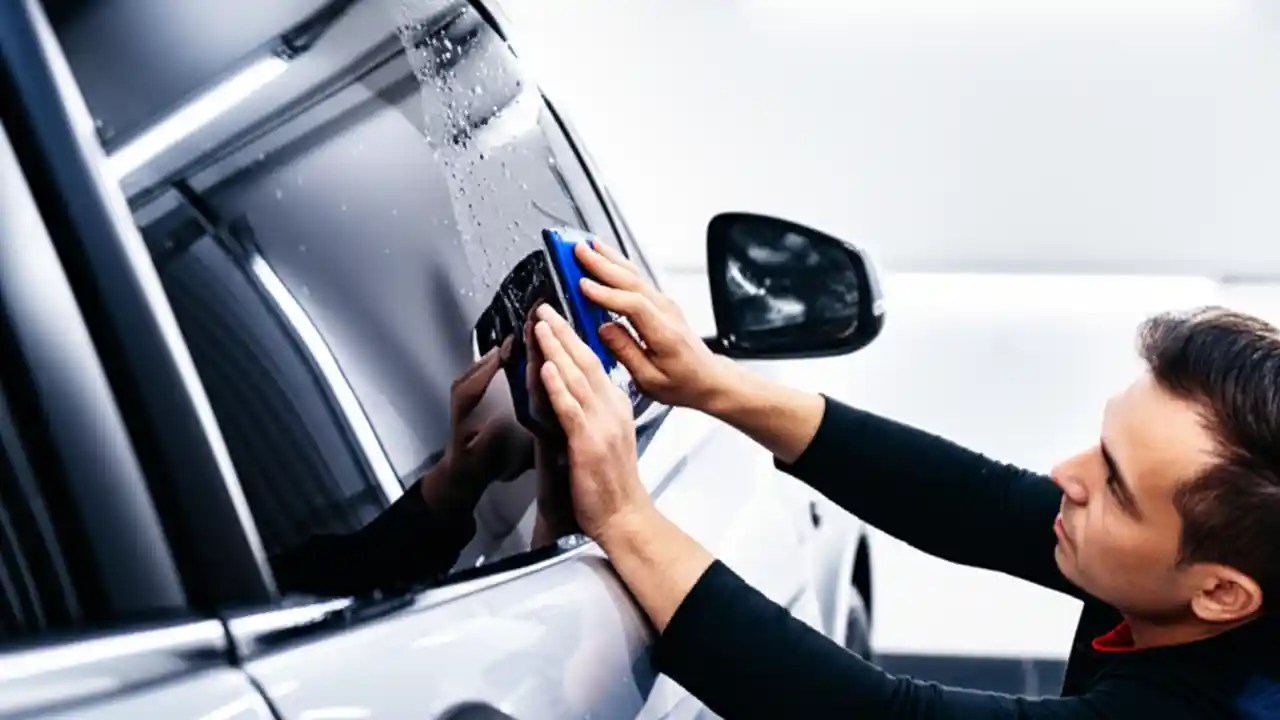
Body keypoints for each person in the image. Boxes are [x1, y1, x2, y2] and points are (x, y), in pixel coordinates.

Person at [528, 240, 1280, 718]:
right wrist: (711, 383)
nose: (1065, 476)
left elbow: (878, 718)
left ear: (1220, 593)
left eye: (1114, 486)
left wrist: (627, 517)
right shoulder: (1206, 570)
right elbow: (972, 500)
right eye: (1098, 447)